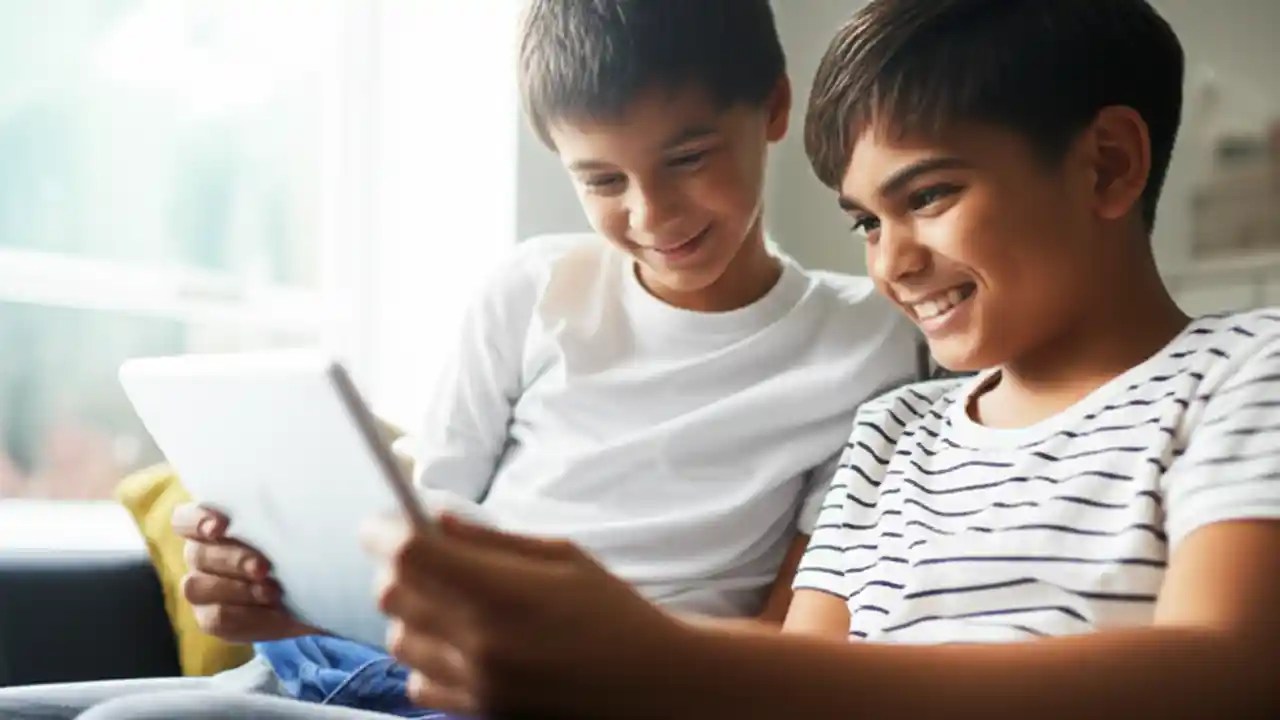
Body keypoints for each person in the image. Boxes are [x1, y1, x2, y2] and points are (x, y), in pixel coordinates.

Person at [346, 0, 1280, 718]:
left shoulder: (1246, 370)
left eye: (931, 196)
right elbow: (795, 677)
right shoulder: (891, 430)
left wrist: (664, 657)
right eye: (866, 222)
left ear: (1108, 165)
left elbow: (1229, 667)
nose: (891, 262)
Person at [0, 1, 916, 719]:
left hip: (568, 694)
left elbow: (791, 633)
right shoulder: (533, 290)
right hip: (374, 659)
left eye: (687, 158)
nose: (651, 214)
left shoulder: (863, 337)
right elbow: (418, 523)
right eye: (601, 179)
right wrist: (282, 586)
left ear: (773, 109)